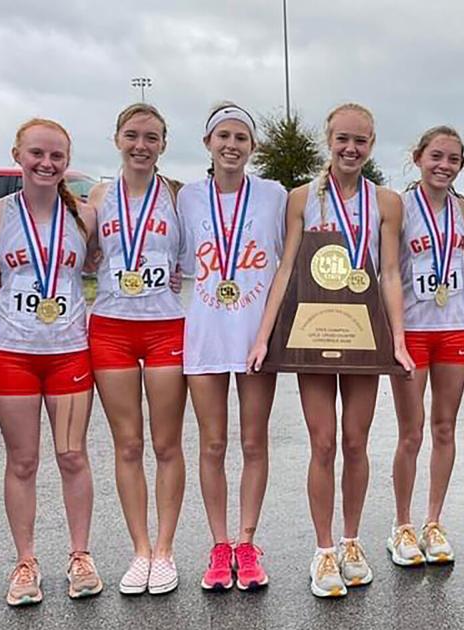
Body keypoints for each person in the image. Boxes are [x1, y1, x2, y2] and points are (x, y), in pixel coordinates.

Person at [247, 102, 413, 598]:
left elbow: (389, 273)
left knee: (356, 443)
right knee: (323, 444)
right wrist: (264, 336)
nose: (350, 148)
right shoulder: (302, 198)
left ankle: (351, 541)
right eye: (342, 138)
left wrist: (398, 341)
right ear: (329, 140)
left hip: (363, 335)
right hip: (312, 334)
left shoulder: (386, 202)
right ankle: (322, 552)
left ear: (372, 144)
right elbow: (286, 269)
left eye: (360, 140)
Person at [0, 118, 102, 603]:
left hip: (70, 351)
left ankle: (80, 555)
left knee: (72, 455)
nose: (46, 163)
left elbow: (98, 263)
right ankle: (25, 562)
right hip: (13, 352)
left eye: (56, 155)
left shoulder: (85, 217)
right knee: (23, 460)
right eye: (37, 153)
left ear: (67, 161)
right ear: (17, 154)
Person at [178, 102, 286, 591]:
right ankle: (219, 545)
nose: (231, 145)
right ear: (207, 144)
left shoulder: (274, 196)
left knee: (253, 441)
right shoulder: (187, 199)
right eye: (223, 136)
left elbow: (289, 262)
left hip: (255, 339)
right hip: (204, 337)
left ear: (252, 146)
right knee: (214, 444)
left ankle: (247, 540)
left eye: (241, 137)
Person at [85, 103, 186, 596]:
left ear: (164, 144)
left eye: (151, 137)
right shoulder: (98, 198)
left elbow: (196, 258)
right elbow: (70, 257)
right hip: (110, 328)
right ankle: (140, 549)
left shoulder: (178, 198)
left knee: (166, 445)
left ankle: (165, 551)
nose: (141, 145)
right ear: (117, 139)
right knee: (128, 444)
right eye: (132, 135)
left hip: (166, 326)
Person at [387, 126, 464, 567]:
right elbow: (389, 271)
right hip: (413, 332)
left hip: (455, 327)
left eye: (453, 159)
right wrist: (396, 335)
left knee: (444, 428)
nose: (443, 166)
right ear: (418, 157)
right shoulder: (399, 207)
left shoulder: (463, 208)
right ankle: (401, 524)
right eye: (436, 156)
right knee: (411, 433)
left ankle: (433, 521)